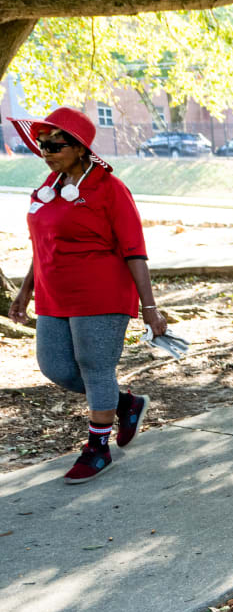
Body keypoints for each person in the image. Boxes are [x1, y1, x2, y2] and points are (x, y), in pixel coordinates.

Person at [5, 107, 166, 484]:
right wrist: (25, 292)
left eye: (55, 144)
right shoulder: (47, 190)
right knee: (55, 367)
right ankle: (125, 403)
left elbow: (134, 249)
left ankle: (98, 448)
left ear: (80, 148)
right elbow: (41, 245)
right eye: (42, 144)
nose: (46, 150)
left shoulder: (109, 189)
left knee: (95, 367)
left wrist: (150, 307)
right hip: (53, 295)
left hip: (101, 294)